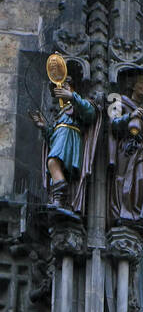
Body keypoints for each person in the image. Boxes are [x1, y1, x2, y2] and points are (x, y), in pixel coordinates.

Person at [30, 74, 97, 216]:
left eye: (64, 87)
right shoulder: (60, 113)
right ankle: (59, 199)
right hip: (61, 138)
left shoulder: (79, 104)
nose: (60, 91)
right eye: (58, 89)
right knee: (53, 163)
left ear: (71, 87)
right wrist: (43, 127)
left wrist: (72, 96)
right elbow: (52, 136)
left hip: (70, 139)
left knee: (53, 162)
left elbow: (90, 114)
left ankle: (60, 198)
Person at [108, 70, 143, 226]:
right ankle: (124, 211)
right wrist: (130, 116)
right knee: (124, 179)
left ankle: (139, 212)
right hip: (126, 149)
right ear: (133, 85)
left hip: (142, 151)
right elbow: (113, 124)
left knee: (141, 179)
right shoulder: (119, 102)